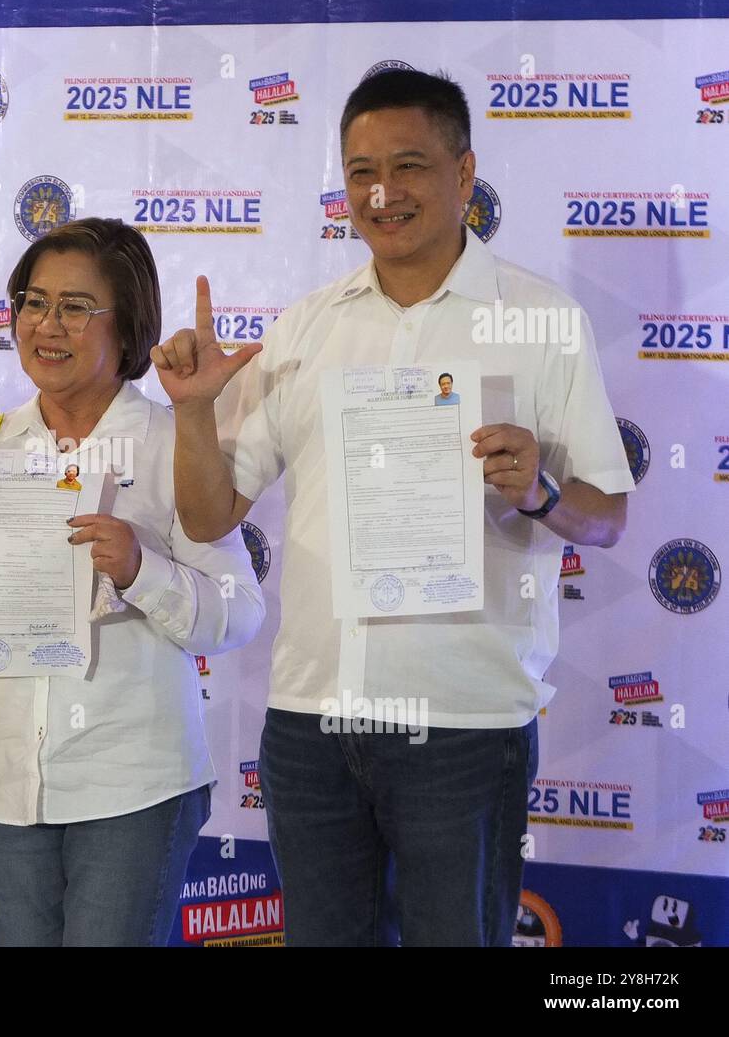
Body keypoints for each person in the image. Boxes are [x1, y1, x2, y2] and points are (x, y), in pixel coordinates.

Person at [151, 69, 633, 947]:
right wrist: (191, 412)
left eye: (408, 165)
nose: (382, 192)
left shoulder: (542, 320)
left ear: (464, 171)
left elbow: (607, 519)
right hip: (313, 723)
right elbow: (210, 516)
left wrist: (540, 492)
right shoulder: (304, 328)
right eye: (361, 170)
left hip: (465, 724)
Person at [0, 217, 264, 946]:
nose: (47, 324)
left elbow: (240, 611)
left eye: (74, 306)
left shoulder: (171, 443)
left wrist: (141, 571)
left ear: (126, 329)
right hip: (5, 788)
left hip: (133, 784)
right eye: (33, 302)